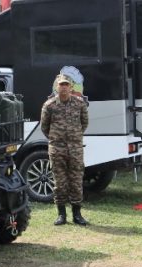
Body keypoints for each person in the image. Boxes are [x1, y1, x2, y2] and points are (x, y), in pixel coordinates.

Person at [40, 74, 89, 226]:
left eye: (66, 84)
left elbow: (84, 124)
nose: (64, 87)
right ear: (57, 87)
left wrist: (74, 138)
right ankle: (61, 214)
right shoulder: (49, 105)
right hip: (57, 150)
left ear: (71, 87)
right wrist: (57, 140)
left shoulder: (80, 104)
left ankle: (77, 214)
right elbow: (44, 127)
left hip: (75, 149)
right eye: (61, 84)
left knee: (76, 181)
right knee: (60, 183)